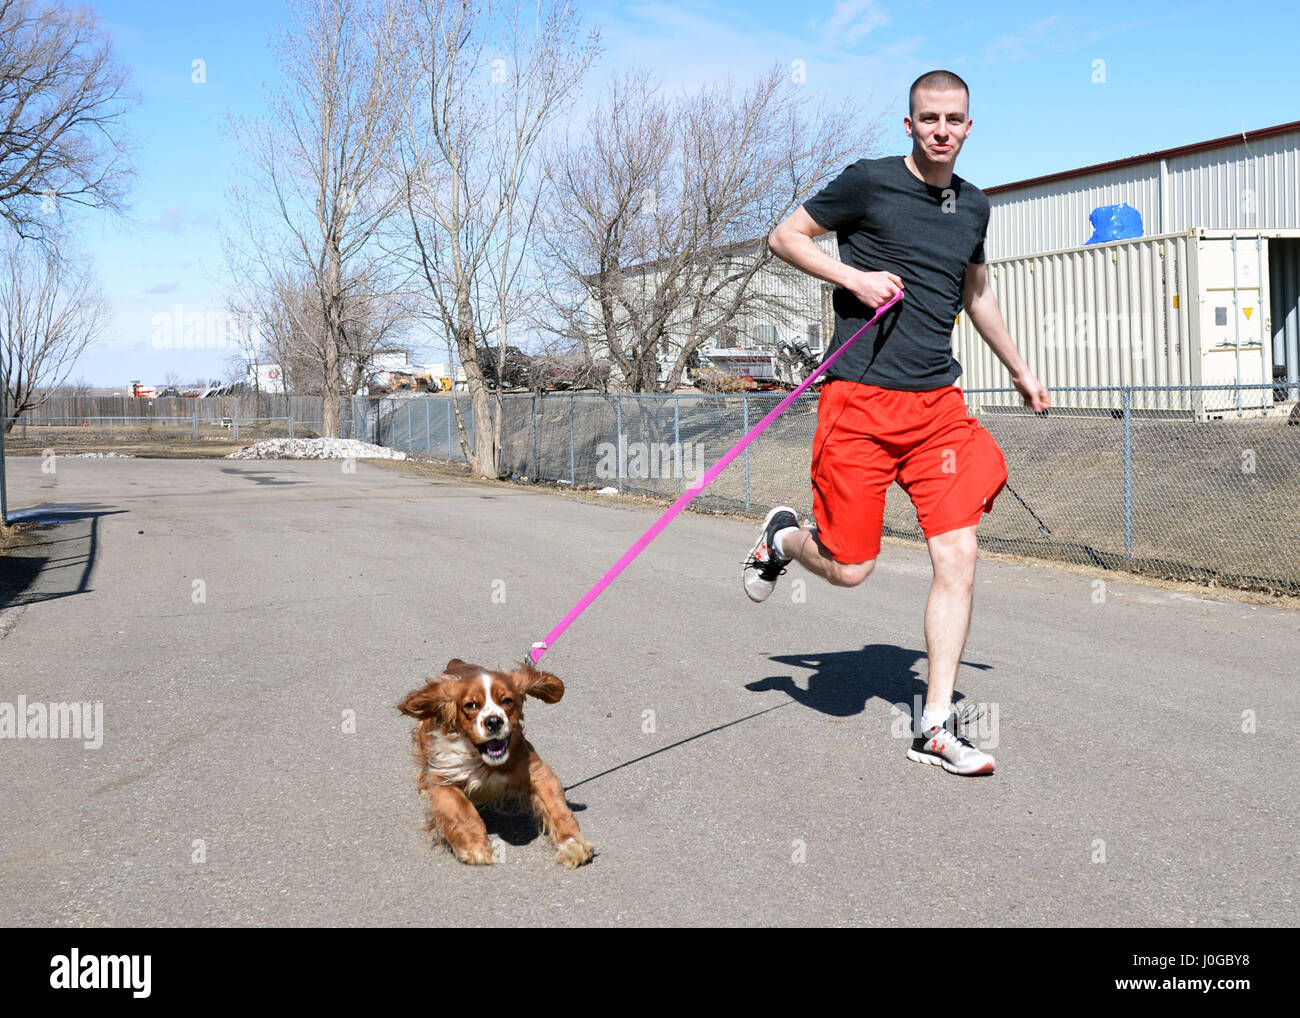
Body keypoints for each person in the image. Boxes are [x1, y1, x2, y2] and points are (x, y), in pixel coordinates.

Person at [742, 69, 1050, 776]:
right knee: (851, 570)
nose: (942, 129)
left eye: (955, 119)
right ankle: (782, 540)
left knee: (959, 556)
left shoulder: (974, 207)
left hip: (937, 409)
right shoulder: (869, 182)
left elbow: (977, 294)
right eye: (929, 118)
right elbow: (784, 236)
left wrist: (1019, 367)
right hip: (860, 401)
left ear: (970, 127)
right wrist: (852, 278)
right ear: (908, 124)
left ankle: (934, 727)